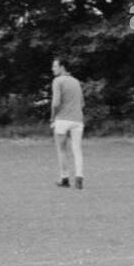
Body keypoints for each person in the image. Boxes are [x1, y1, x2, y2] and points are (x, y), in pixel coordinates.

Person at [50, 58, 84, 189]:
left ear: (62, 67)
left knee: (62, 150)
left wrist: (52, 118)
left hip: (63, 120)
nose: (53, 69)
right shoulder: (76, 82)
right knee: (77, 149)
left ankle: (64, 178)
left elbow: (56, 103)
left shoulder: (57, 81)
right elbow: (82, 103)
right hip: (77, 120)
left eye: (55, 66)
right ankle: (79, 177)